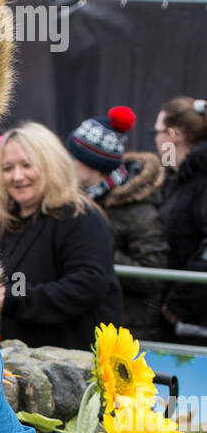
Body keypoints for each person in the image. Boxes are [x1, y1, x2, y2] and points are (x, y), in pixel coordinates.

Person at [0, 122, 123, 350]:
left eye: (27, 165)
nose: (17, 176)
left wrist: (14, 300)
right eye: (8, 168)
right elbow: (16, 281)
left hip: (70, 362)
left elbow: (87, 285)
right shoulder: (8, 223)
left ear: (51, 165)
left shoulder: (80, 216)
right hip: (21, 359)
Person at [65, 104, 169, 338]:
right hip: (90, 325)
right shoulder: (74, 202)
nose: (66, 161)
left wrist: (98, 249)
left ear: (95, 164)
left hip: (129, 332)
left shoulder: (141, 212)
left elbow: (152, 277)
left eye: (73, 156)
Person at [155, 96, 207, 340]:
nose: (155, 139)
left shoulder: (202, 181)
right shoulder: (176, 180)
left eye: (156, 132)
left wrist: (179, 303)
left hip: (194, 322)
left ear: (172, 135)